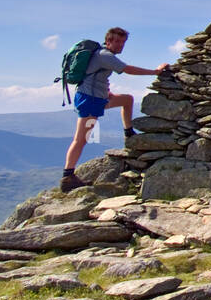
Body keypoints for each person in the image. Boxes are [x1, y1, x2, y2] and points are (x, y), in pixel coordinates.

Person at [61, 27, 169, 192]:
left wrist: (107, 92)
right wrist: (155, 72)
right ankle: (68, 177)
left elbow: (97, 76)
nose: (120, 45)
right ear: (108, 41)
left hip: (98, 98)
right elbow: (128, 69)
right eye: (117, 41)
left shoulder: (102, 55)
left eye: (123, 42)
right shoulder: (105, 55)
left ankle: (129, 132)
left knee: (127, 100)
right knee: (81, 139)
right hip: (90, 100)